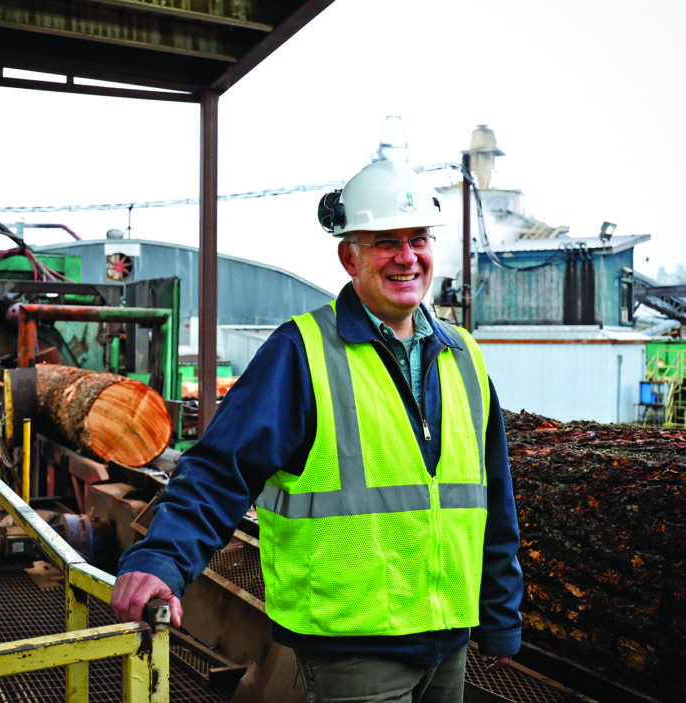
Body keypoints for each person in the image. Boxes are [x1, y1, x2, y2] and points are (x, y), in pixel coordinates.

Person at [111, 160, 523, 703]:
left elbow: (492, 496)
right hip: (352, 649)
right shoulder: (301, 353)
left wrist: (498, 613)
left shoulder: (463, 355)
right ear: (349, 256)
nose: (406, 257)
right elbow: (219, 471)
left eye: (418, 238)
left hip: (448, 642)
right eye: (385, 242)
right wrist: (162, 558)